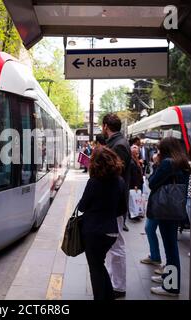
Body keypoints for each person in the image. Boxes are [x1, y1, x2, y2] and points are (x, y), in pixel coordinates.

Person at [78, 147, 127, 300]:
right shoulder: (120, 181)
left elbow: (82, 206)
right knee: (99, 265)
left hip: (94, 233)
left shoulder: (93, 182)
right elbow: (122, 209)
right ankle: (109, 296)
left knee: (96, 269)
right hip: (111, 232)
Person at [147, 137, 190, 297]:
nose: (158, 153)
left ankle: (171, 286)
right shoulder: (182, 162)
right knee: (171, 246)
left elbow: (152, 182)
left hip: (166, 210)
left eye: (159, 150)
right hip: (175, 208)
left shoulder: (167, 163)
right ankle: (168, 276)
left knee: (170, 248)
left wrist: (156, 164)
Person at [101, 113, 131, 298]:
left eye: (101, 126)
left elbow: (115, 176)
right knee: (114, 243)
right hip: (114, 202)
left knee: (117, 244)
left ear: (106, 126)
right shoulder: (118, 143)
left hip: (115, 203)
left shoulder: (118, 146)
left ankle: (119, 286)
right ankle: (115, 281)